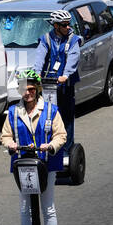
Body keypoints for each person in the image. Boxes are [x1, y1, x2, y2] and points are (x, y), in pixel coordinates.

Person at [0, 69, 67, 225]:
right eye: (23, 89)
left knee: (47, 207)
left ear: (37, 89)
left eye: (30, 89)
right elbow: (5, 135)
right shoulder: (13, 112)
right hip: (24, 166)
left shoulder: (51, 110)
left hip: (46, 165)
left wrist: (51, 146)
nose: (27, 93)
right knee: (25, 208)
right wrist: (9, 143)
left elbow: (61, 135)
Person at [33, 9, 81, 158]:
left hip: (65, 85)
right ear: (56, 26)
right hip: (48, 84)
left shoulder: (73, 40)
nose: (68, 27)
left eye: (68, 24)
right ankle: (46, 147)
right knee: (47, 116)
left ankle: (66, 151)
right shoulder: (46, 39)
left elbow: (74, 58)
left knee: (66, 117)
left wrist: (66, 75)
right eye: (64, 25)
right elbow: (40, 56)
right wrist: (36, 72)